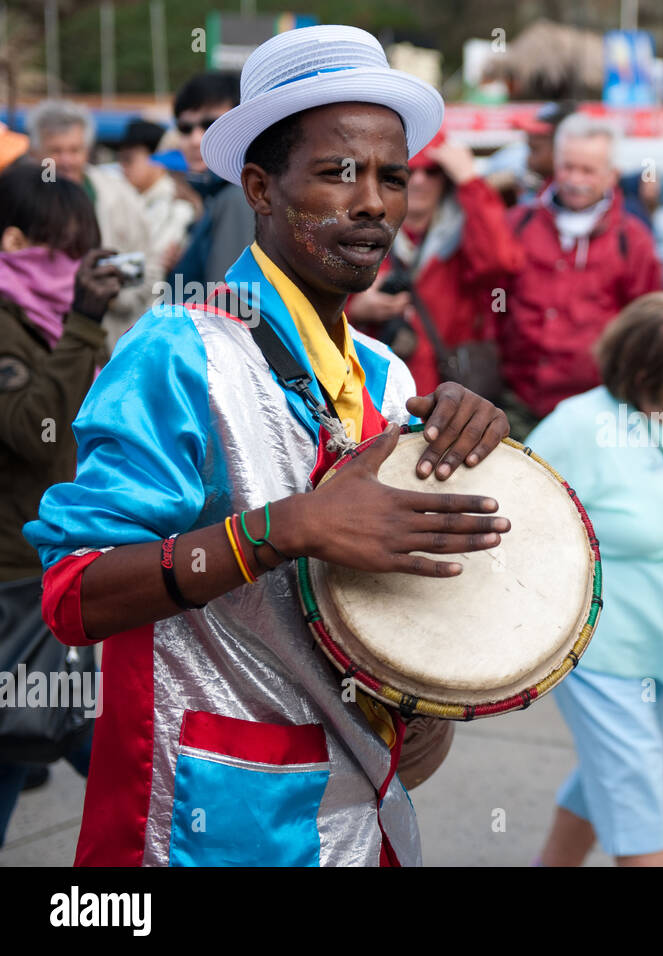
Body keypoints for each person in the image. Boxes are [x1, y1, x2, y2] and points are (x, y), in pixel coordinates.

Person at [22, 24, 512, 867]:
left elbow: (398, 601)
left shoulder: (391, 377)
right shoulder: (176, 353)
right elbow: (74, 595)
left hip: (363, 816)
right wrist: (283, 529)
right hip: (203, 823)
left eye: (393, 179)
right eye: (338, 173)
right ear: (259, 186)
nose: (374, 205)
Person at [530, 292, 663, 867]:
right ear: (649, 375)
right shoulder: (580, 426)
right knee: (636, 788)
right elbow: (514, 519)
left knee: (612, 776)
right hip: (600, 651)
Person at [0, 161, 123, 844]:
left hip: (48, 560)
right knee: (56, 729)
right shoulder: (13, 323)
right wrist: (83, 321)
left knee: (24, 737)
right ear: (14, 242)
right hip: (15, 574)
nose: (76, 267)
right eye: (66, 250)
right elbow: (32, 430)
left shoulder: (40, 318)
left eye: (87, 252)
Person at [498, 113, 662, 439]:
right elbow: (493, 301)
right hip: (518, 403)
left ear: (612, 175)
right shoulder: (517, 224)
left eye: (588, 170)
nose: (575, 179)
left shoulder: (633, 240)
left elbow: (646, 325)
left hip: (597, 409)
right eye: (568, 167)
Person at [348, 133, 521, 395]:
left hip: (450, 392)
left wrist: (470, 181)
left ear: (447, 179)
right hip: (375, 391)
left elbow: (501, 263)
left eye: (432, 171)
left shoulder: (467, 233)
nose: (419, 180)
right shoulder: (356, 229)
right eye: (407, 170)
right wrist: (353, 309)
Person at [26, 100, 158, 351]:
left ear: (87, 151)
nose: (65, 160)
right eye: (55, 150)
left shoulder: (119, 196)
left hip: (112, 341)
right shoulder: (21, 200)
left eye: (75, 150)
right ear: (35, 153)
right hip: (42, 342)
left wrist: (109, 298)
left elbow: (148, 265)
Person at [169, 71, 256, 288]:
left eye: (210, 125)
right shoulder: (218, 195)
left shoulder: (238, 198)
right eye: (185, 129)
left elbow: (228, 308)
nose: (195, 139)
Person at [116, 120, 199, 281]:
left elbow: (155, 263)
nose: (122, 167)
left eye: (129, 160)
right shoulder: (136, 199)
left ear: (154, 158)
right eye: (120, 160)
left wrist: (109, 268)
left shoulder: (175, 205)